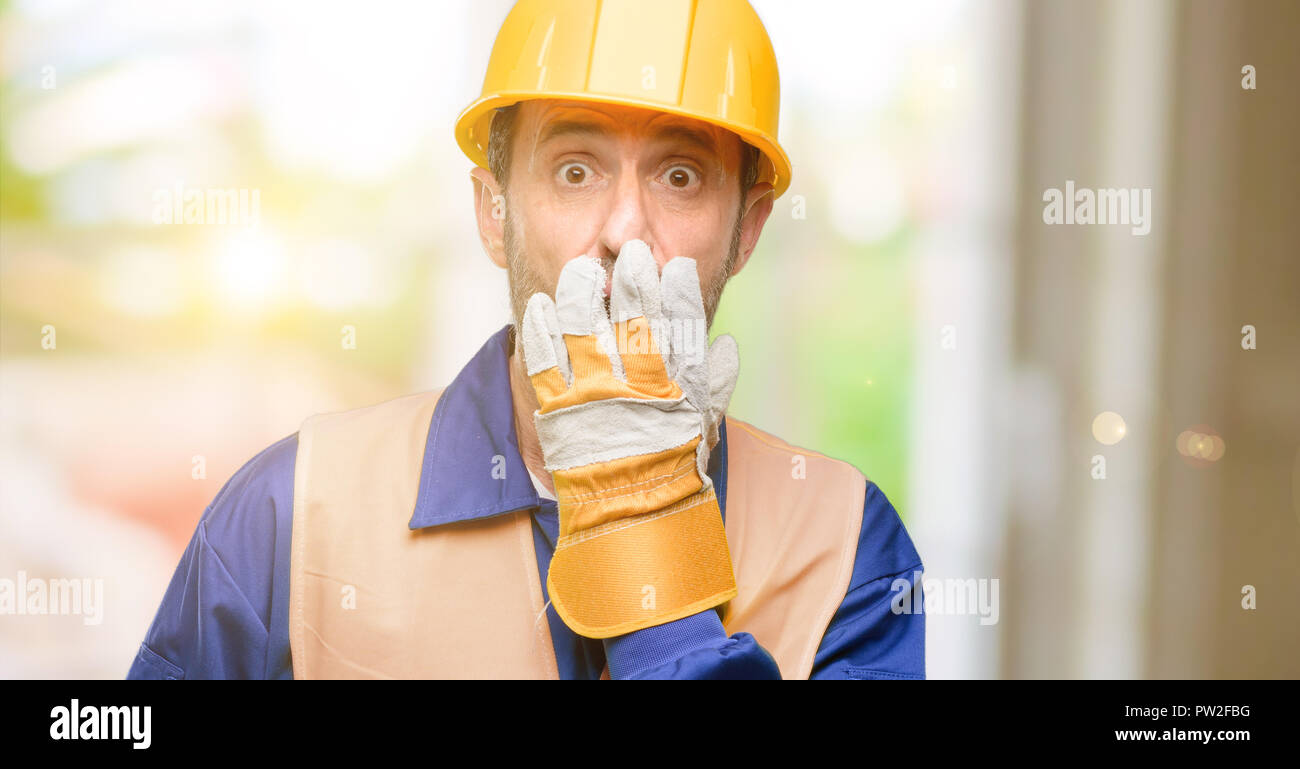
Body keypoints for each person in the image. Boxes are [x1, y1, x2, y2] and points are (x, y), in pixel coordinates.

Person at [127, 0, 925, 680]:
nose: (623, 230)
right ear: (492, 213)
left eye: (680, 175)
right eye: (575, 170)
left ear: (745, 230)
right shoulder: (289, 515)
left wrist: (646, 546)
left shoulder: (849, 549)